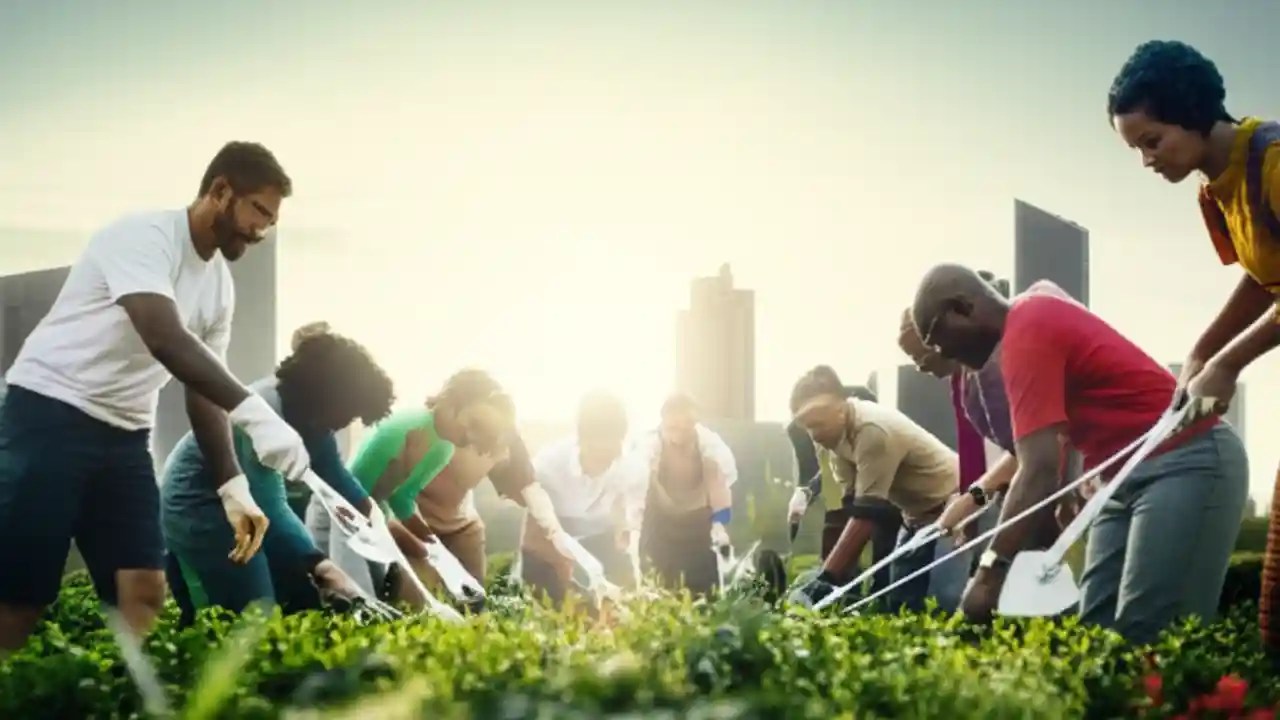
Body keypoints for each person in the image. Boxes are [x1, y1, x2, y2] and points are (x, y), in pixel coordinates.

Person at [0, 141, 310, 653]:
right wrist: (254, 413)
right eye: (259, 211)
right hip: (49, 413)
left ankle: (127, 701)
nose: (262, 229)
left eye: (271, 221)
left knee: (143, 587)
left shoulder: (218, 288)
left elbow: (203, 388)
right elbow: (163, 336)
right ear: (220, 190)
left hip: (124, 437)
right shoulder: (143, 237)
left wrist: (232, 489)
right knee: (20, 593)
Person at [911, 262, 1249, 643]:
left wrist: (988, 575)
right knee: (1097, 633)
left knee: (1153, 639)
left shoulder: (1028, 329)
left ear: (962, 308)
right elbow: (1052, 439)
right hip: (1118, 481)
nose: (945, 354)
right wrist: (1070, 487)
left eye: (938, 339)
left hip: (1187, 459)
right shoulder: (1023, 329)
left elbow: (1036, 469)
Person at [1107, 38, 1280, 651]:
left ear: (1191, 110)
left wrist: (1230, 363)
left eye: (1152, 141)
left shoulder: (1274, 157)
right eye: (1136, 148)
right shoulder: (1215, 191)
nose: (1147, 160)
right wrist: (1203, 349)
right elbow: (1266, 278)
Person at [161, 329, 396, 623]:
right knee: (253, 615)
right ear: (326, 393)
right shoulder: (262, 408)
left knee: (305, 602)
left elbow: (333, 474)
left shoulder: (313, 418)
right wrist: (321, 564)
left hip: (254, 505)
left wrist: (373, 517)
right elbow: (266, 502)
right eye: (347, 414)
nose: (343, 424)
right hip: (201, 508)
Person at [331, 369, 587, 597]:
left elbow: (401, 499)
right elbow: (360, 496)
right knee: (372, 597)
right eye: (475, 423)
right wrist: (415, 544)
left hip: (411, 523)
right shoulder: (408, 431)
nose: (472, 435)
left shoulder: (450, 446)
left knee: (466, 600)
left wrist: (557, 536)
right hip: (362, 517)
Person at [790, 367, 969, 613]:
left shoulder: (873, 430)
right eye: (807, 426)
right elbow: (851, 506)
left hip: (957, 506)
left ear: (841, 410)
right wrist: (836, 573)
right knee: (902, 605)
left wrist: (827, 578)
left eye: (818, 423)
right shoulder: (832, 440)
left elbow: (867, 515)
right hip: (915, 517)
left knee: (947, 603)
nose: (814, 434)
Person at [520, 390, 644, 606]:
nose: (611, 454)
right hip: (552, 542)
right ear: (583, 439)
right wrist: (568, 569)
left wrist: (622, 537)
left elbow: (624, 523)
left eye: (616, 443)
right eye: (601, 449)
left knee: (626, 601)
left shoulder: (630, 463)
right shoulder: (548, 466)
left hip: (600, 540)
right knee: (564, 604)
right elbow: (531, 538)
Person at [786, 373, 901, 590]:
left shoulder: (863, 414)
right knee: (835, 561)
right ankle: (837, 601)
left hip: (874, 494)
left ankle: (882, 599)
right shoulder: (797, 431)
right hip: (837, 500)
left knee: (884, 559)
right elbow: (811, 469)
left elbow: (869, 457)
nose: (814, 431)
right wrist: (804, 492)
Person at [627, 394, 737, 598]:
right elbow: (636, 492)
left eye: (687, 427)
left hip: (698, 526)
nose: (680, 433)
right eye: (673, 427)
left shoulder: (712, 448)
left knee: (704, 593)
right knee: (659, 590)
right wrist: (633, 532)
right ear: (663, 421)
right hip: (660, 525)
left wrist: (721, 526)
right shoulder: (647, 447)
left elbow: (720, 490)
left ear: (695, 423)